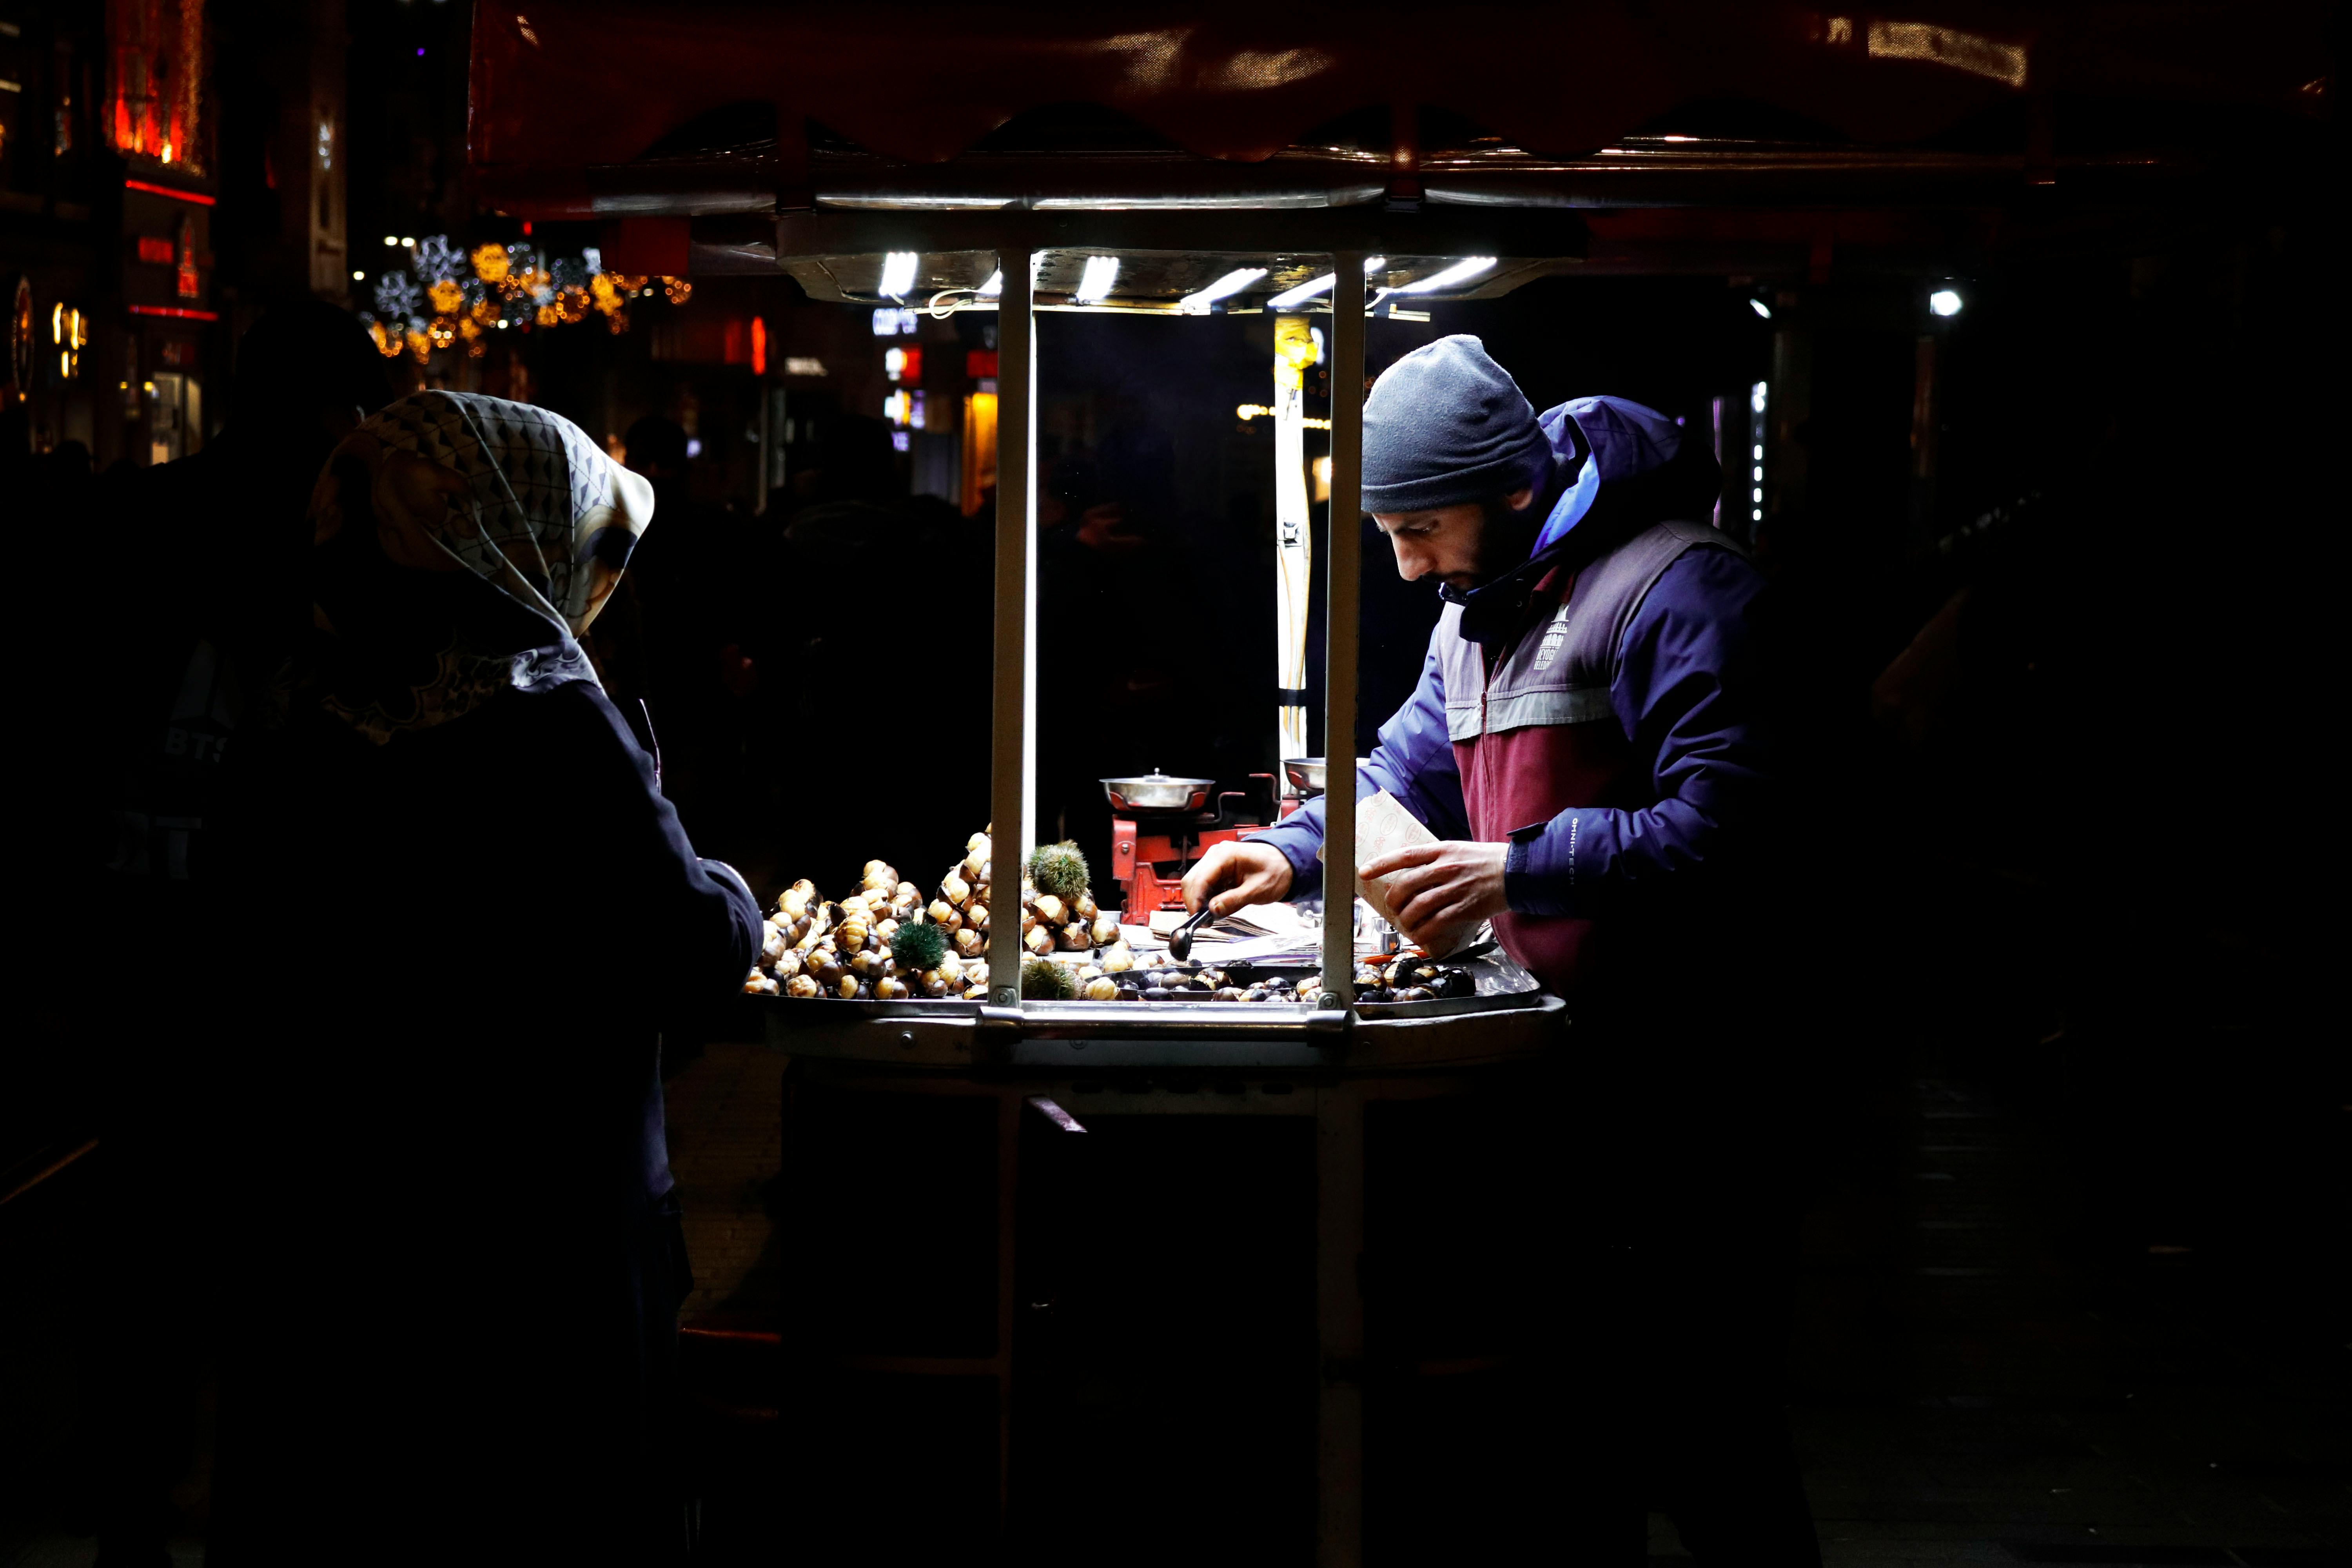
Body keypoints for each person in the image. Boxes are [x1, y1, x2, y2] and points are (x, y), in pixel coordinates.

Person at [1182, 337, 1820, 1563]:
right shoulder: (1474, 614)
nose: (1405, 562)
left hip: (1705, 1095)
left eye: (1419, 529)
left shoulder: (1683, 591)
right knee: (1576, 1429)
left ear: (1515, 492)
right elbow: (1399, 771)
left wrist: (1513, 866)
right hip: (1573, 1087)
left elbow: (1732, 835)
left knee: (1710, 1432)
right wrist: (1292, 850)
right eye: (1387, 533)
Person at [211, 391, 759, 1564]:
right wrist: (731, 887)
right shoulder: (546, 716)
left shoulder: (296, 702)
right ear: (504, 528)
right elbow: (687, 947)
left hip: (334, 1249)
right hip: (537, 1261)